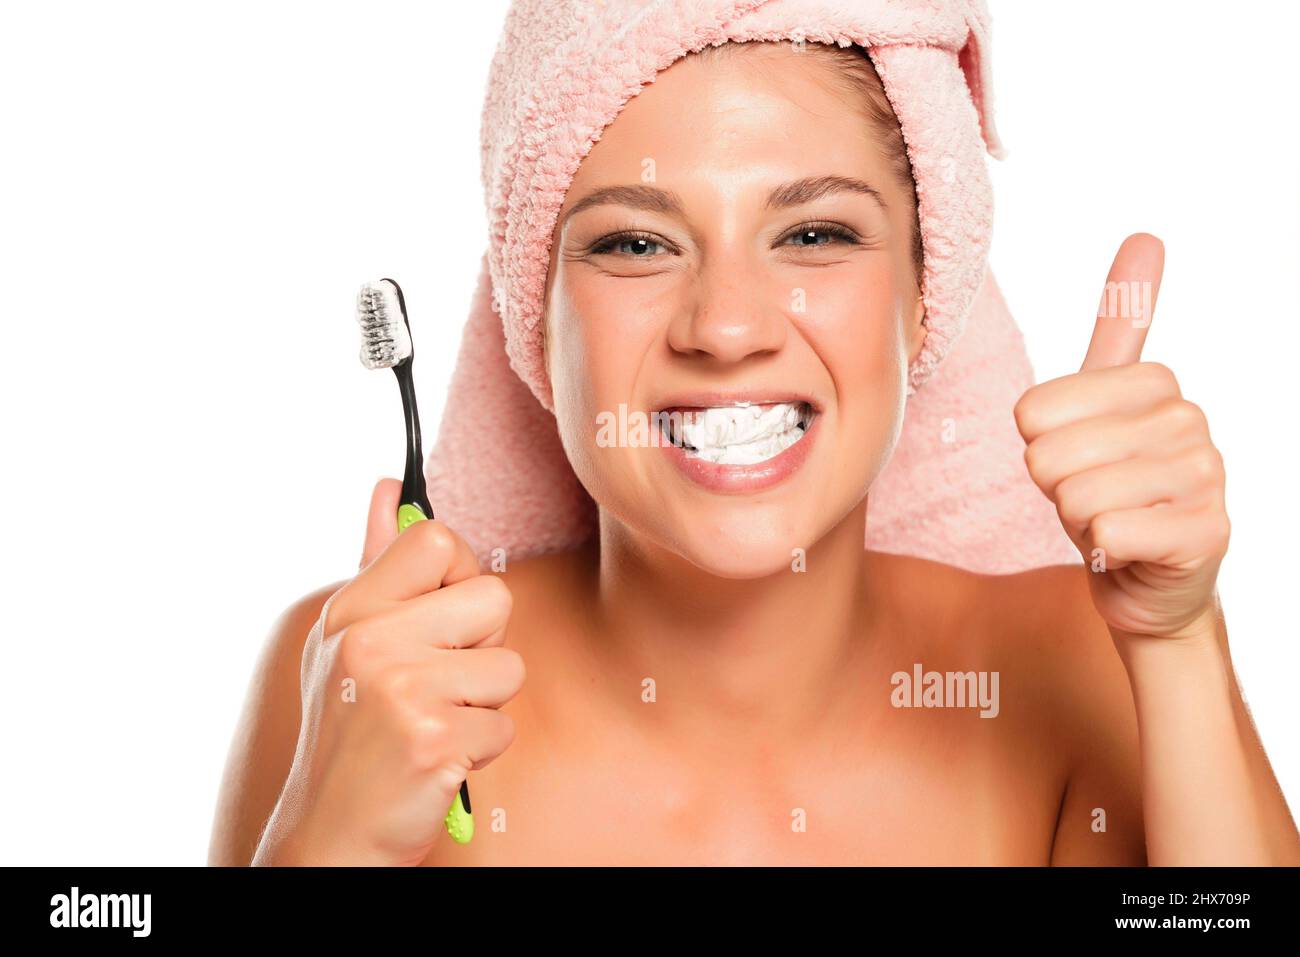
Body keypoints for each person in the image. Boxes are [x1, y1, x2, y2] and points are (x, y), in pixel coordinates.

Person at [209, 36, 1299, 866]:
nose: (726, 327)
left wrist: (1178, 642)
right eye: (635, 243)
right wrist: (323, 848)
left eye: (814, 234)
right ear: (529, 325)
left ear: (928, 301)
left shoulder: (1075, 664)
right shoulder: (359, 683)